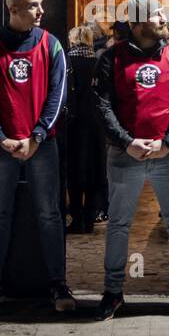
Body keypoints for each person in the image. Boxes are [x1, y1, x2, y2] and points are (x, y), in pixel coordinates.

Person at [0, 0, 74, 311]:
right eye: (34, 6)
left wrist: (37, 136)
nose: (41, 11)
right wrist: (1, 136)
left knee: (50, 214)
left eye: (41, 4)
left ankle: (58, 285)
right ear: (14, 9)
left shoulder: (51, 45)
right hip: (2, 146)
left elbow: (58, 96)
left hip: (42, 145)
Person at [93, 0, 169, 322]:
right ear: (138, 24)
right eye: (157, 15)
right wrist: (126, 142)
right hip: (126, 155)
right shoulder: (111, 58)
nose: (164, 18)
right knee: (119, 224)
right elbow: (102, 104)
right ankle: (113, 293)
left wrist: (168, 142)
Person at [65, 25, 105, 234]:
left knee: (74, 171)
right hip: (96, 124)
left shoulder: (67, 61)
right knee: (93, 170)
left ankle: (77, 217)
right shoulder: (98, 62)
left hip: (74, 124)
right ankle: (90, 217)